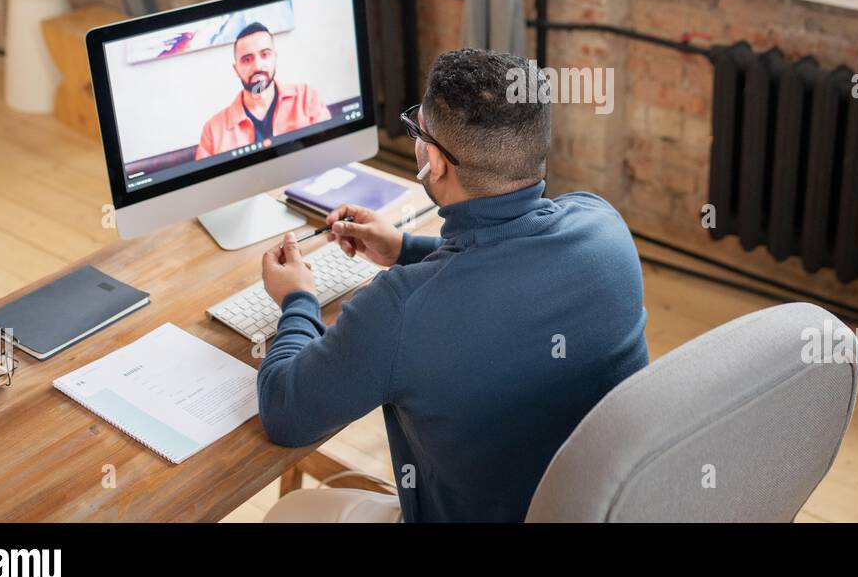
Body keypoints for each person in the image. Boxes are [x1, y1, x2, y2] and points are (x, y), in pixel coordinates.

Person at [256, 48, 648, 522]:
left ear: (435, 163)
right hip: (597, 511)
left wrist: (297, 298)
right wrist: (404, 247)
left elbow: (284, 411)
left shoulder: (397, 310)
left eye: (418, 131)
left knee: (292, 511)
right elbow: (507, 270)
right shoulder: (605, 228)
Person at [194, 21, 330, 160]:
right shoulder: (213, 129)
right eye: (247, 59)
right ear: (236, 70)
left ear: (275, 58)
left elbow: (329, 151)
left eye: (265, 54)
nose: (257, 66)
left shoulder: (305, 96)